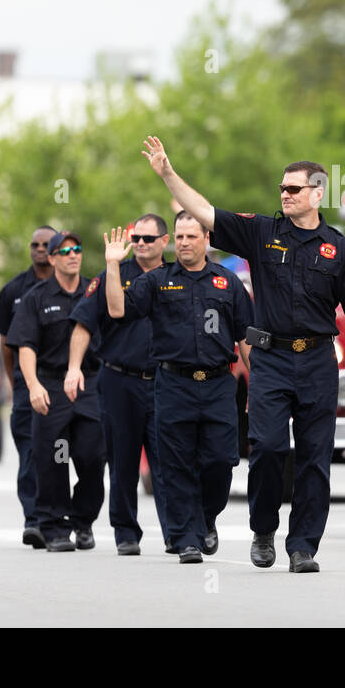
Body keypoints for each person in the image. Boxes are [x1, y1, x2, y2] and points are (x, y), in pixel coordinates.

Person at [139, 136, 345, 573]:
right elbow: (206, 211)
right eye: (282, 189)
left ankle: (303, 545)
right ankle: (263, 528)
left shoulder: (338, 247)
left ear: (317, 193)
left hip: (319, 360)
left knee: (315, 456)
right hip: (270, 359)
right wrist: (168, 174)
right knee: (267, 447)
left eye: (294, 189)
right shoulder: (261, 232)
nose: (284, 195)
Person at [106, 215, 255, 563]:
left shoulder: (227, 282)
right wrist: (113, 265)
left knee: (220, 460)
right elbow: (117, 308)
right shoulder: (158, 280)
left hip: (219, 384)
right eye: (179, 236)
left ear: (206, 238)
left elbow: (245, 335)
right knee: (176, 464)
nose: (184, 242)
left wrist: (258, 381)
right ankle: (187, 538)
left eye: (191, 236)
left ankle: (206, 518)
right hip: (174, 384)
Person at [65, 214, 170, 556]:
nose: (140, 243)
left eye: (148, 239)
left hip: (166, 380)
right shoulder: (114, 275)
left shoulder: (177, 277)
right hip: (119, 379)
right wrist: (74, 368)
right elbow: (83, 324)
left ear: (164, 242)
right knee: (121, 460)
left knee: (169, 459)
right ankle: (125, 532)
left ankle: (177, 532)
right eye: (136, 238)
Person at [6, 231, 105, 552]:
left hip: (88, 383)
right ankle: (53, 527)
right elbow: (25, 346)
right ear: (52, 259)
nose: (73, 255)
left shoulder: (94, 292)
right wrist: (32, 385)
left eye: (77, 249)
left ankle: (83, 520)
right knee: (50, 459)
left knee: (93, 456)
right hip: (50, 383)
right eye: (64, 252)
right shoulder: (36, 297)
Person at [0, 223, 56, 548]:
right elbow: (5, 343)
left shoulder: (72, 288)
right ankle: (34, 520)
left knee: (69, 453)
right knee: (29, 452)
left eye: (46, 245)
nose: (39, 249)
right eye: (34, 244)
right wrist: (16, 382)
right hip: (26, 385)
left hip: (62, 383)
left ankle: (67, 517)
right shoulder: (14, 290)